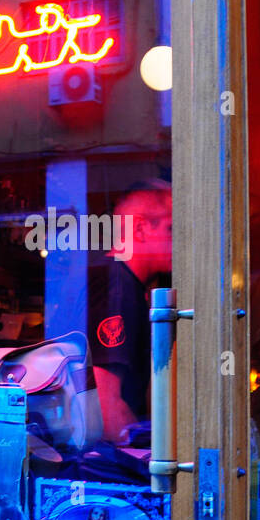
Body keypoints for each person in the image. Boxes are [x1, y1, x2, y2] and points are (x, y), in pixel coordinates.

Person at [87, 179, 172, 445]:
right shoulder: (117, 285)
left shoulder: (126, 285)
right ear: (141, 229)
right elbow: (105, 403)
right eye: (171, 229)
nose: (177, 241)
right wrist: (145, 467)